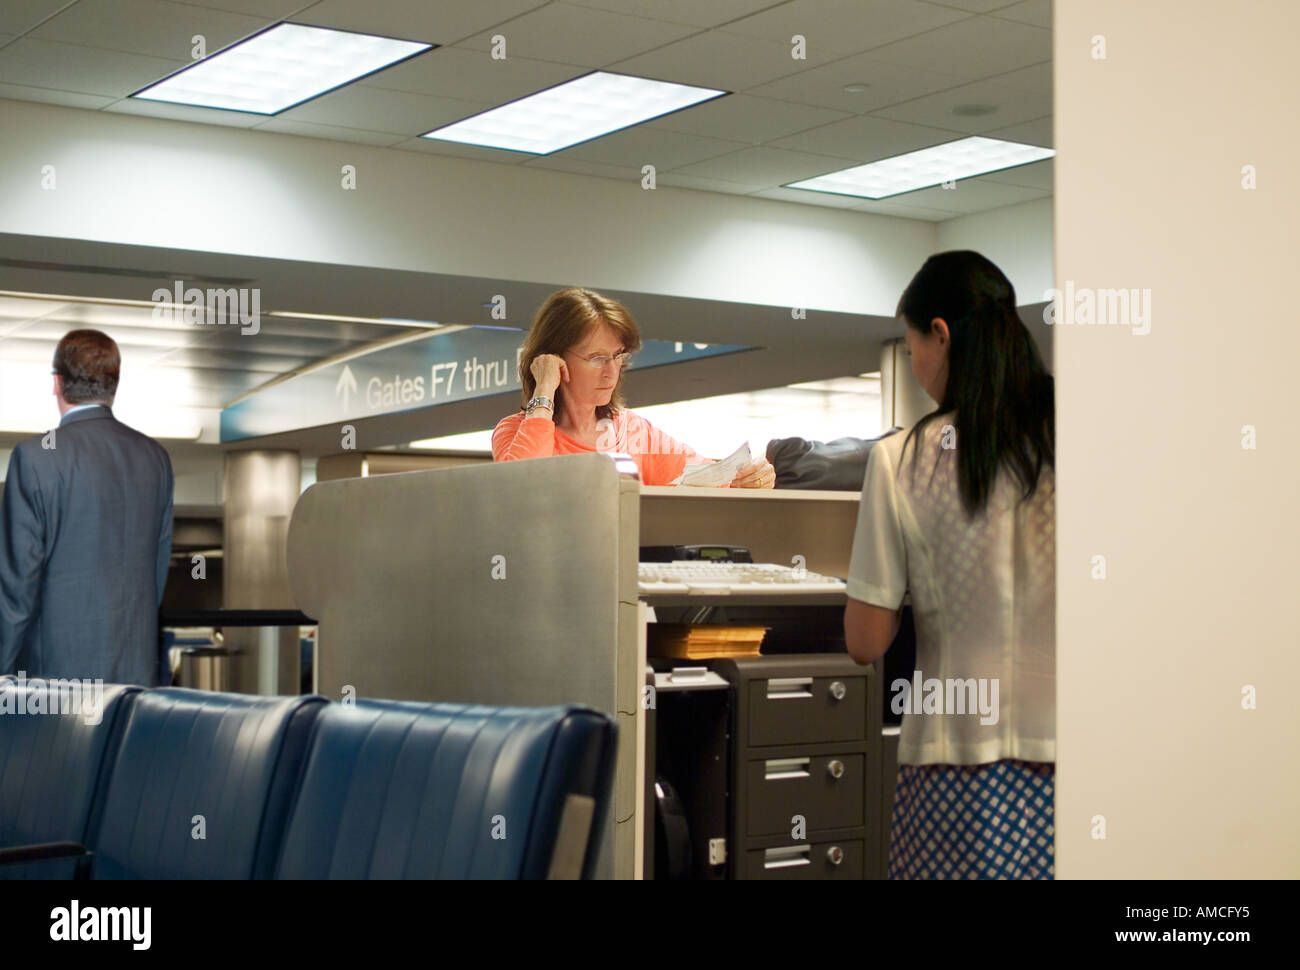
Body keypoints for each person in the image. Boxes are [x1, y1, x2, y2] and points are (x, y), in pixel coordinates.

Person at [843, 251, 1056, 879]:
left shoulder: (902, 461)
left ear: (940, 334)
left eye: (911, 353)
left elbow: (865, 640)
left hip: (953, 765)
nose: (916, 370)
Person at [0, 329, 174, 685]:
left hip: (55, 684)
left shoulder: (35, 457)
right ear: (114, 386)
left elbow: (18, 587)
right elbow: (156, 574)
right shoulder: (155, 457)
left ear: (57, 383)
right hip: (136, 681)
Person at [492, 287, 776, 488]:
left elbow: (711, 480)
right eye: (598, 358)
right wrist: (544, 389)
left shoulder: (634, 432)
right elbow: (518, 488)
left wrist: (748, 479)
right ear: (554, 359)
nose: (611, 372)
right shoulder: (514, 432)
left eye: (618, 356)